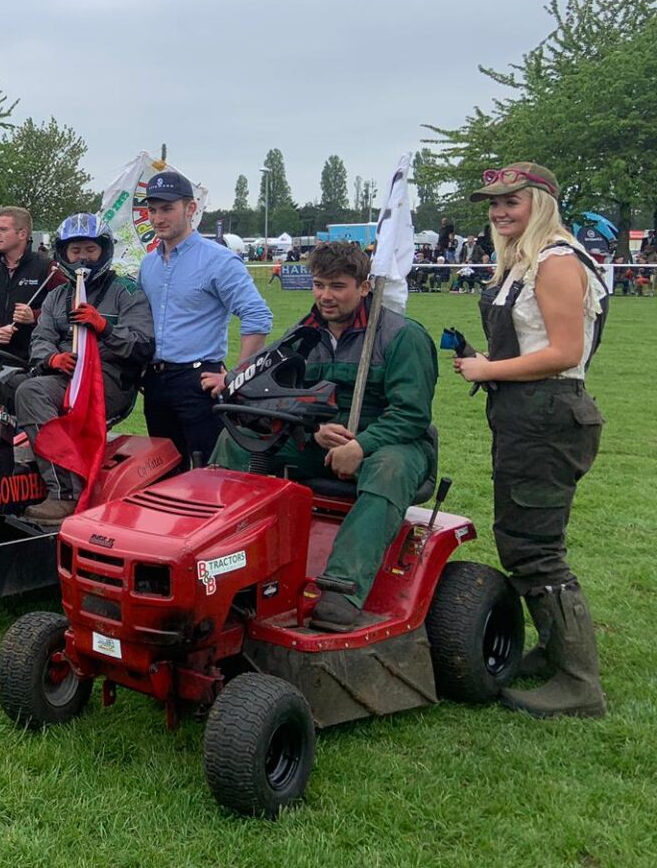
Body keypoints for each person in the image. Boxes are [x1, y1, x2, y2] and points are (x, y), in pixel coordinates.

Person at [211, 242, 437, 631]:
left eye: (337, 286)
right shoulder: (301, 336)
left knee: (389, 469)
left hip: (392, 443)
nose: (325, 296)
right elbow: (277, 397)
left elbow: (412, 416)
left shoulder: (402, 337)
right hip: (317, 439)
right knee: (236, 441)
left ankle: (342, 588)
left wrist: (360, 445)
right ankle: (220, 558)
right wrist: (313, 431)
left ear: (365, 287)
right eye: (318, 285)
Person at [453, 163, 607, 718]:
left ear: (540, 202)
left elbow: (566, 352)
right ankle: (556, 652)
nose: (499, 211)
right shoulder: (527, 259)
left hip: (546, 415)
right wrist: (487, 364)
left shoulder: (556, 261)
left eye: (512, 201)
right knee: (522, 537)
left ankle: (578, 684)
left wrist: (487, 371)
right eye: (493, 203)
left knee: (536, 548)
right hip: (528, 413)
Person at [16, 214, 154, 523]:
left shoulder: (127, 292)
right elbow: (41, 339)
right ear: (63, 254)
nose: (83, 258)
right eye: (75, 250)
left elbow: (142, 346)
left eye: (90, 250)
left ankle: (65, 493)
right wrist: (52, 359)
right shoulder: (56, 296)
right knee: (10, 384)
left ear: (103, 251)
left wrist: (104, 326)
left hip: (109, 381)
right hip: (65, 375)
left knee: (31, 391)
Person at [137, 171, 273, 472]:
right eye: (153, 210)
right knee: (163, 476)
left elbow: (257, 316)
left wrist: (236, 376)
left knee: (208, 477)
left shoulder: (218, 260)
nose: (158, 218)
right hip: (156, 383)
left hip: (199, 382)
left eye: (167, 208)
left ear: (190, 209)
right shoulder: (148, 265)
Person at [0, 206, 63, 403]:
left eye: (2, 230)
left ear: (22, 234)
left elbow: (66, 313)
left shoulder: (48, 269)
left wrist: (35, 317)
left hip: (39, 366)